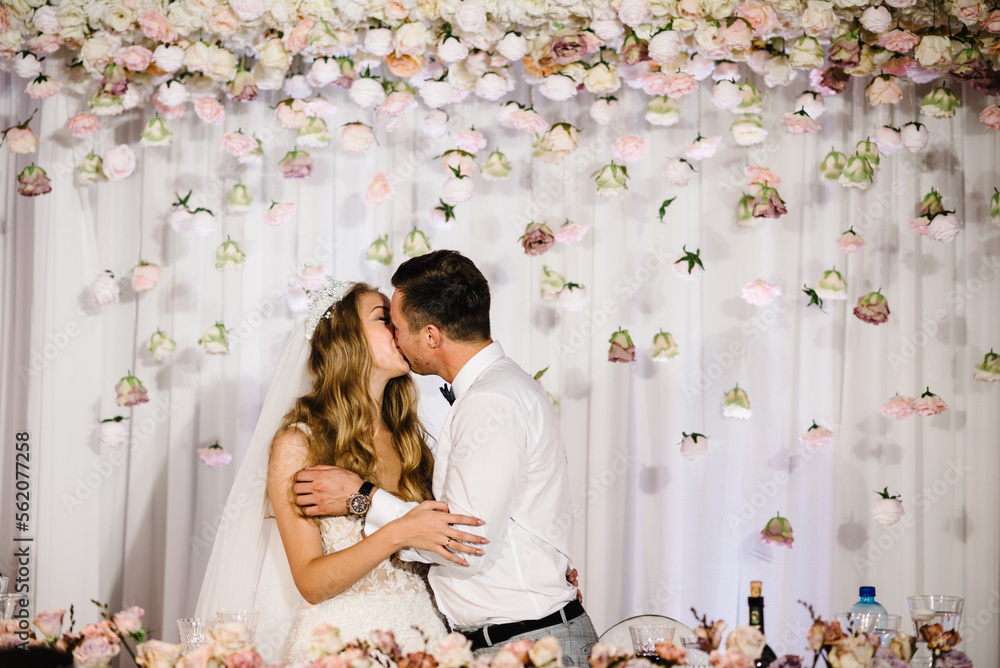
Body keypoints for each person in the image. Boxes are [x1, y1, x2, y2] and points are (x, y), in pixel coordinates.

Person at [292, 251, 599, 666]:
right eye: (385, 323)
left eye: (394, 324)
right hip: (478, 640)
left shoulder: (489, 402)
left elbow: (464, 544)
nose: (397, 336)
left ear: (432, 335)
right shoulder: (485, 397)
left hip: (527, 644)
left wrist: (362, 497)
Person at [196, 280, 485, 663]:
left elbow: (451, 535)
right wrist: (399, 531)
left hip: (426, 639)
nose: (401, 329)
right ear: (346, 339)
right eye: (385, 318)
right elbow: (312, 583)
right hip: (344, 646)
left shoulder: (410, 438)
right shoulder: (300, 443)